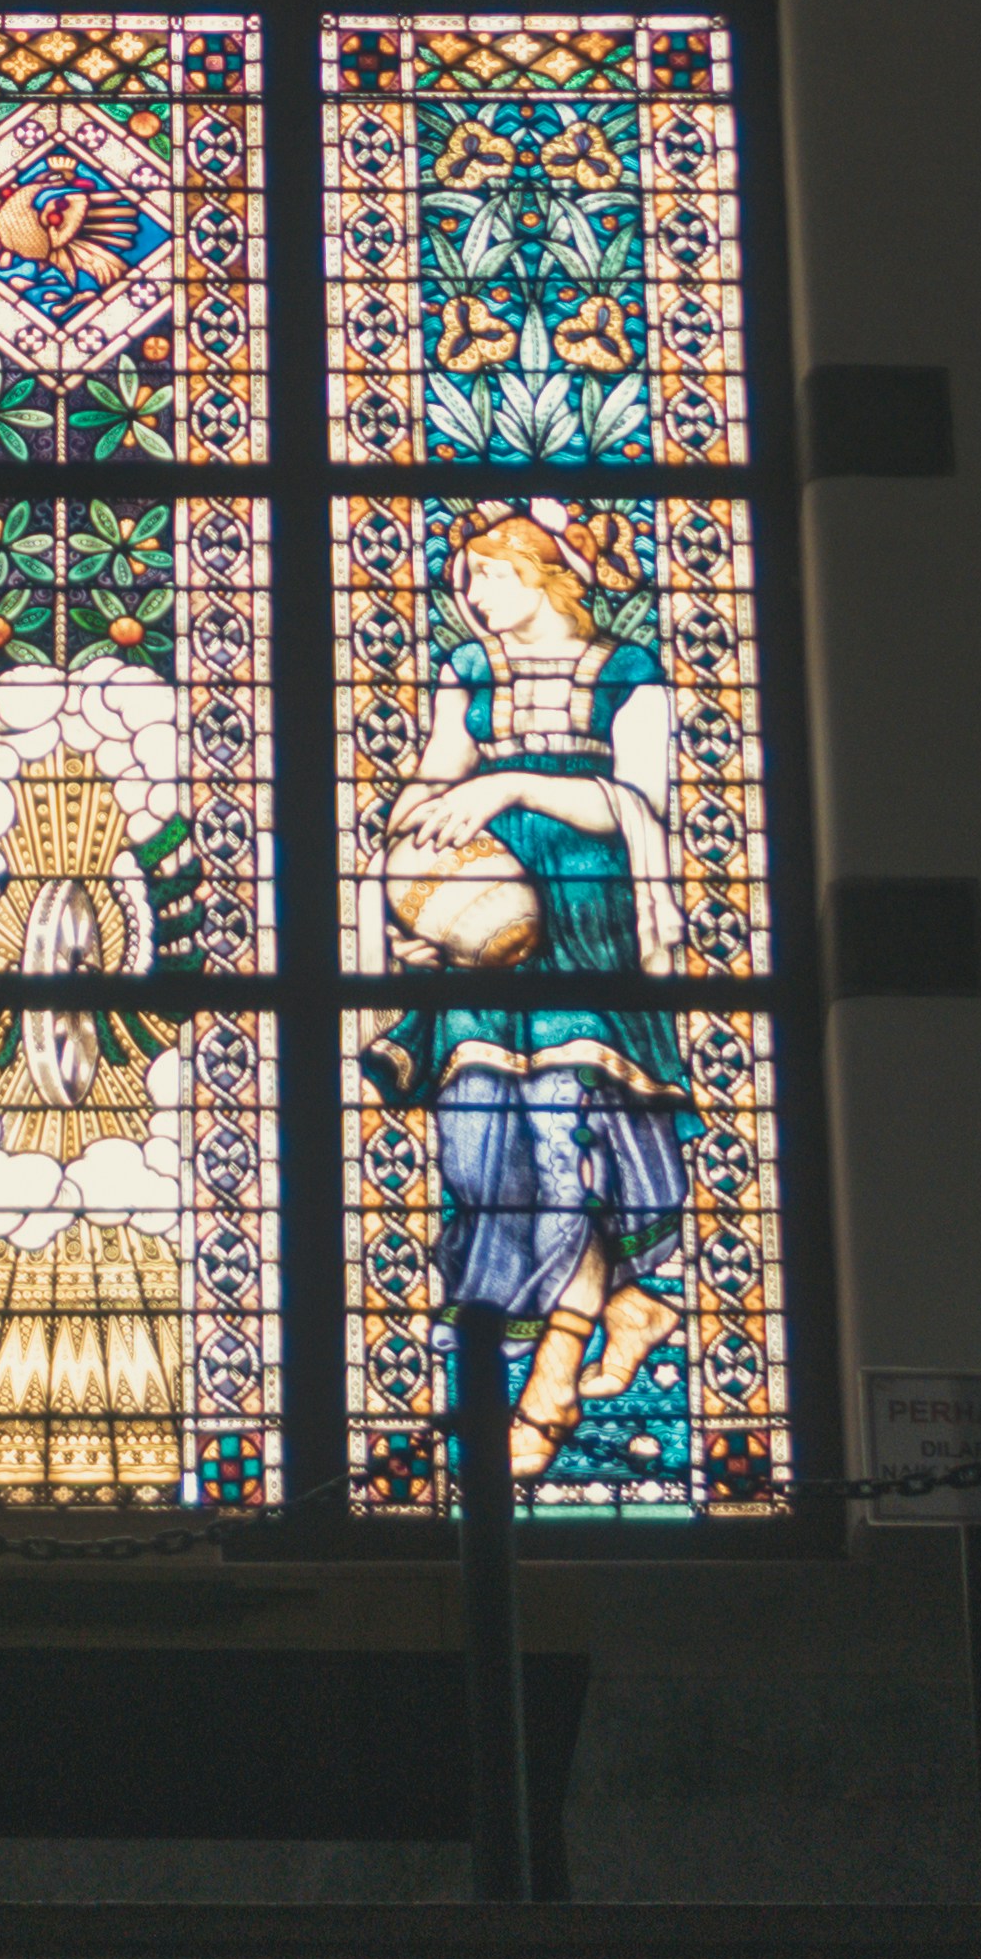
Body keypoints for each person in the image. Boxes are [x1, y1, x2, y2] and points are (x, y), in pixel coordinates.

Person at [362, 503, 694, 1482]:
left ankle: (548, 1384)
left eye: (488, 577)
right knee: (481, 1153)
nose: (471, 598)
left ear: (545, 572)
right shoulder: (470, 677)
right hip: (486, 935)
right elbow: (427, 786)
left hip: (589, 930)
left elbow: (638, 803)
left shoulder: (626, 675)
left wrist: (509, 789)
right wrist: (416, 851)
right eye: (463, 584)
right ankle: (622, 1307)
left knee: (571, 1148)